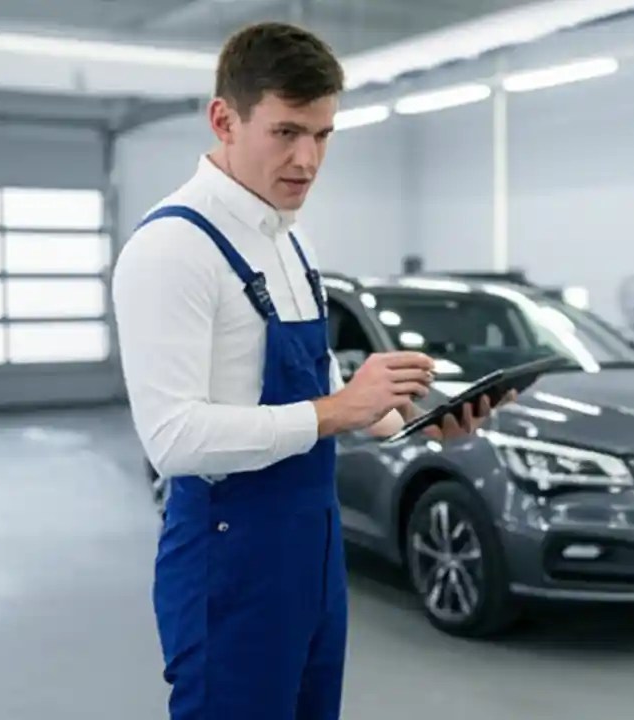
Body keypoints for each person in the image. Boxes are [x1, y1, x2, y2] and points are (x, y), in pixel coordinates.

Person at [112, 22, 502, 720]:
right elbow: (172, 439)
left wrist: (415, 420)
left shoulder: (293, 245)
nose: (307, 159)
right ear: (224, 120)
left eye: (323, 135)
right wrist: (339, 411)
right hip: (228, 560)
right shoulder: (171, 249)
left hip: (315, 552)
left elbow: (330, 395)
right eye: (287, 132)